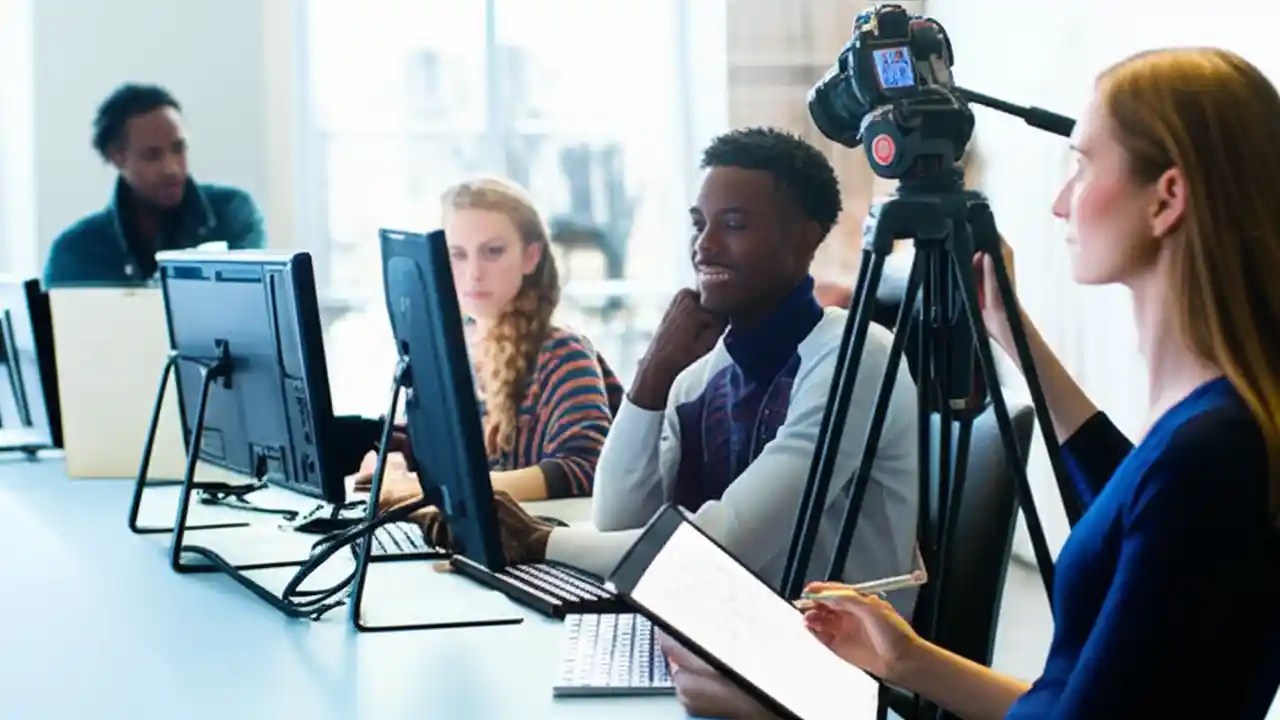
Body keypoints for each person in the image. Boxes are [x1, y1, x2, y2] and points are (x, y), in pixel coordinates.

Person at [674, 47, 1280, 719]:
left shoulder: (1212, 454)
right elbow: (1070, 694)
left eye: (1081, 166)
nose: (1059, 203)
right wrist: (905, 660)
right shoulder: (1214, 429)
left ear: (1166, 198)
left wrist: (797, 712)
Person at [426, 127, 919, 601]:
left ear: (804, 241)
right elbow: (619, 517)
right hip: (724, 632)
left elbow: (724, 545)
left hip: (834, 662)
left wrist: (540, 542)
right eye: (699, 224)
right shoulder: (704, 372)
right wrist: (651, 378)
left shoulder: (854, 357)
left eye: (733, 225)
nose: (704, 246)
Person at [352, 176, 622, 502]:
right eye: (457, 254)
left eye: (492, 252)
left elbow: (586, 468)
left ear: (530, 257)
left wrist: (425, 492)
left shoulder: (564, 354)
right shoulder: (453, 354)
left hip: (537, 545)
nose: (474, 273)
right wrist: (393, 460)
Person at [42, 84, 265, 288]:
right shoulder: (76, 252)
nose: (172, 168)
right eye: (152, 155)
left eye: (179, 148)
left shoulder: (230, 214)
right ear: (117, 157)